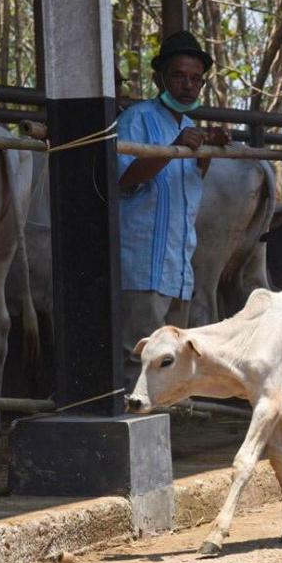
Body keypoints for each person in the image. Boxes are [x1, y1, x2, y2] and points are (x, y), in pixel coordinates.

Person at [117, 30, 229, 383]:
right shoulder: (137, 118)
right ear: (159, 78)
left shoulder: (190, 126)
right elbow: (125, 178)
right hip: (142, 261)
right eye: (179, 76)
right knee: (139, 355)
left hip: (178, 265)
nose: (187, 86)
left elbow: (189, 187)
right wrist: (173, 147)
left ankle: (164, 428)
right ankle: (136, 429)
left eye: (195, 79)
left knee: (171, 358)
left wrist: (208, 150)